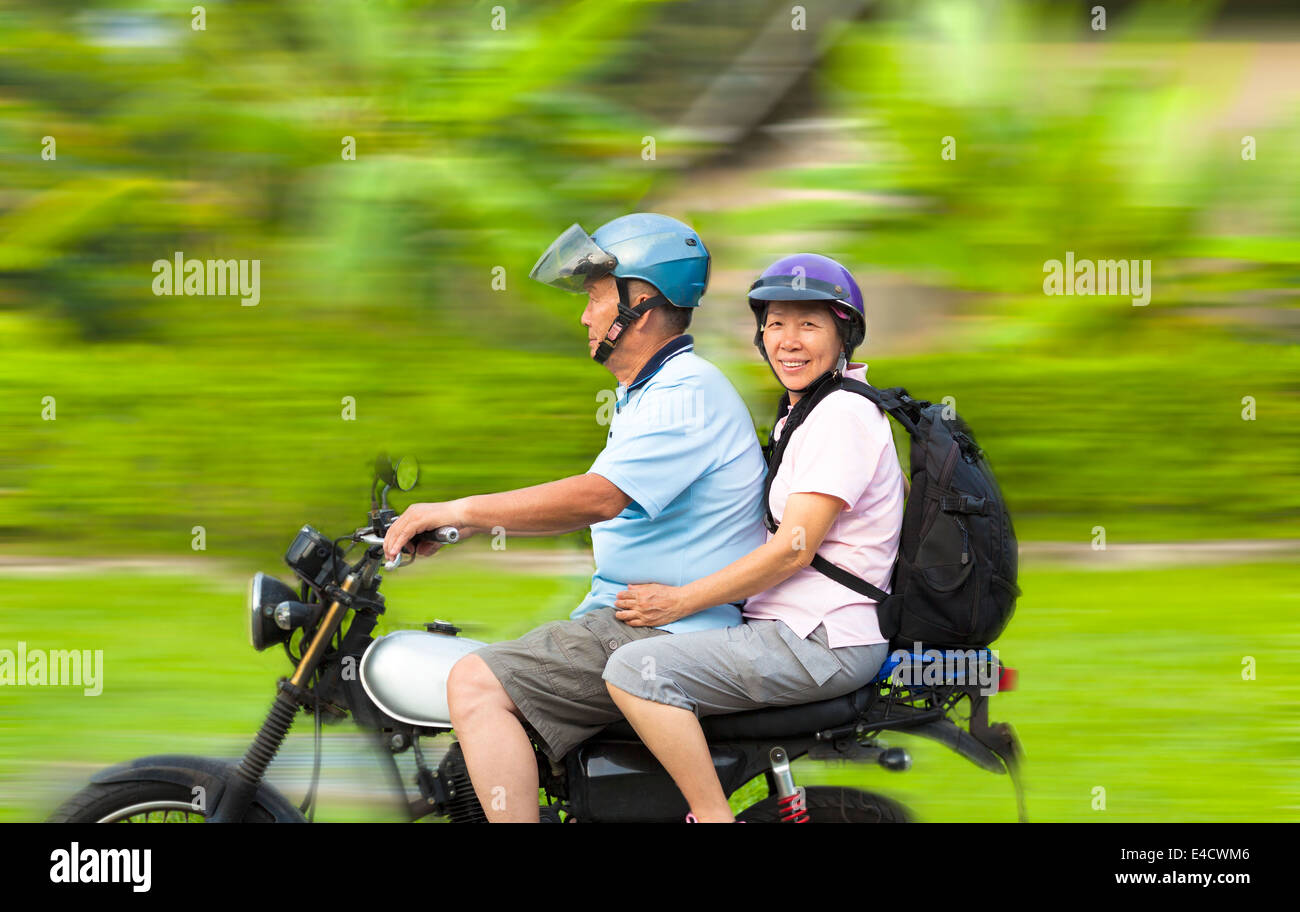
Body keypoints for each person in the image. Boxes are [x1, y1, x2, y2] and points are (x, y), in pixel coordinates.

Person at [382, 213, 767, 822]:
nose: (585, 315)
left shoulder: (684, 393)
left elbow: (599, 497)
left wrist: (462, 510)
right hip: (633, 619)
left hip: (661, 632)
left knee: (474, 682)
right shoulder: (651, 392)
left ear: (639, 301)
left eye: (594, 296)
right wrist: (461, 528)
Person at [603, 253, 906, 822]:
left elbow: (794, 549)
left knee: (636, 672)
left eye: (809, 324)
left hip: (820, 639)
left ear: (845, 335)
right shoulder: (811, 411)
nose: (788, 341)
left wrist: (680, 600)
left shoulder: (840, 415)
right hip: (800, 630)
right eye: (775, 324)